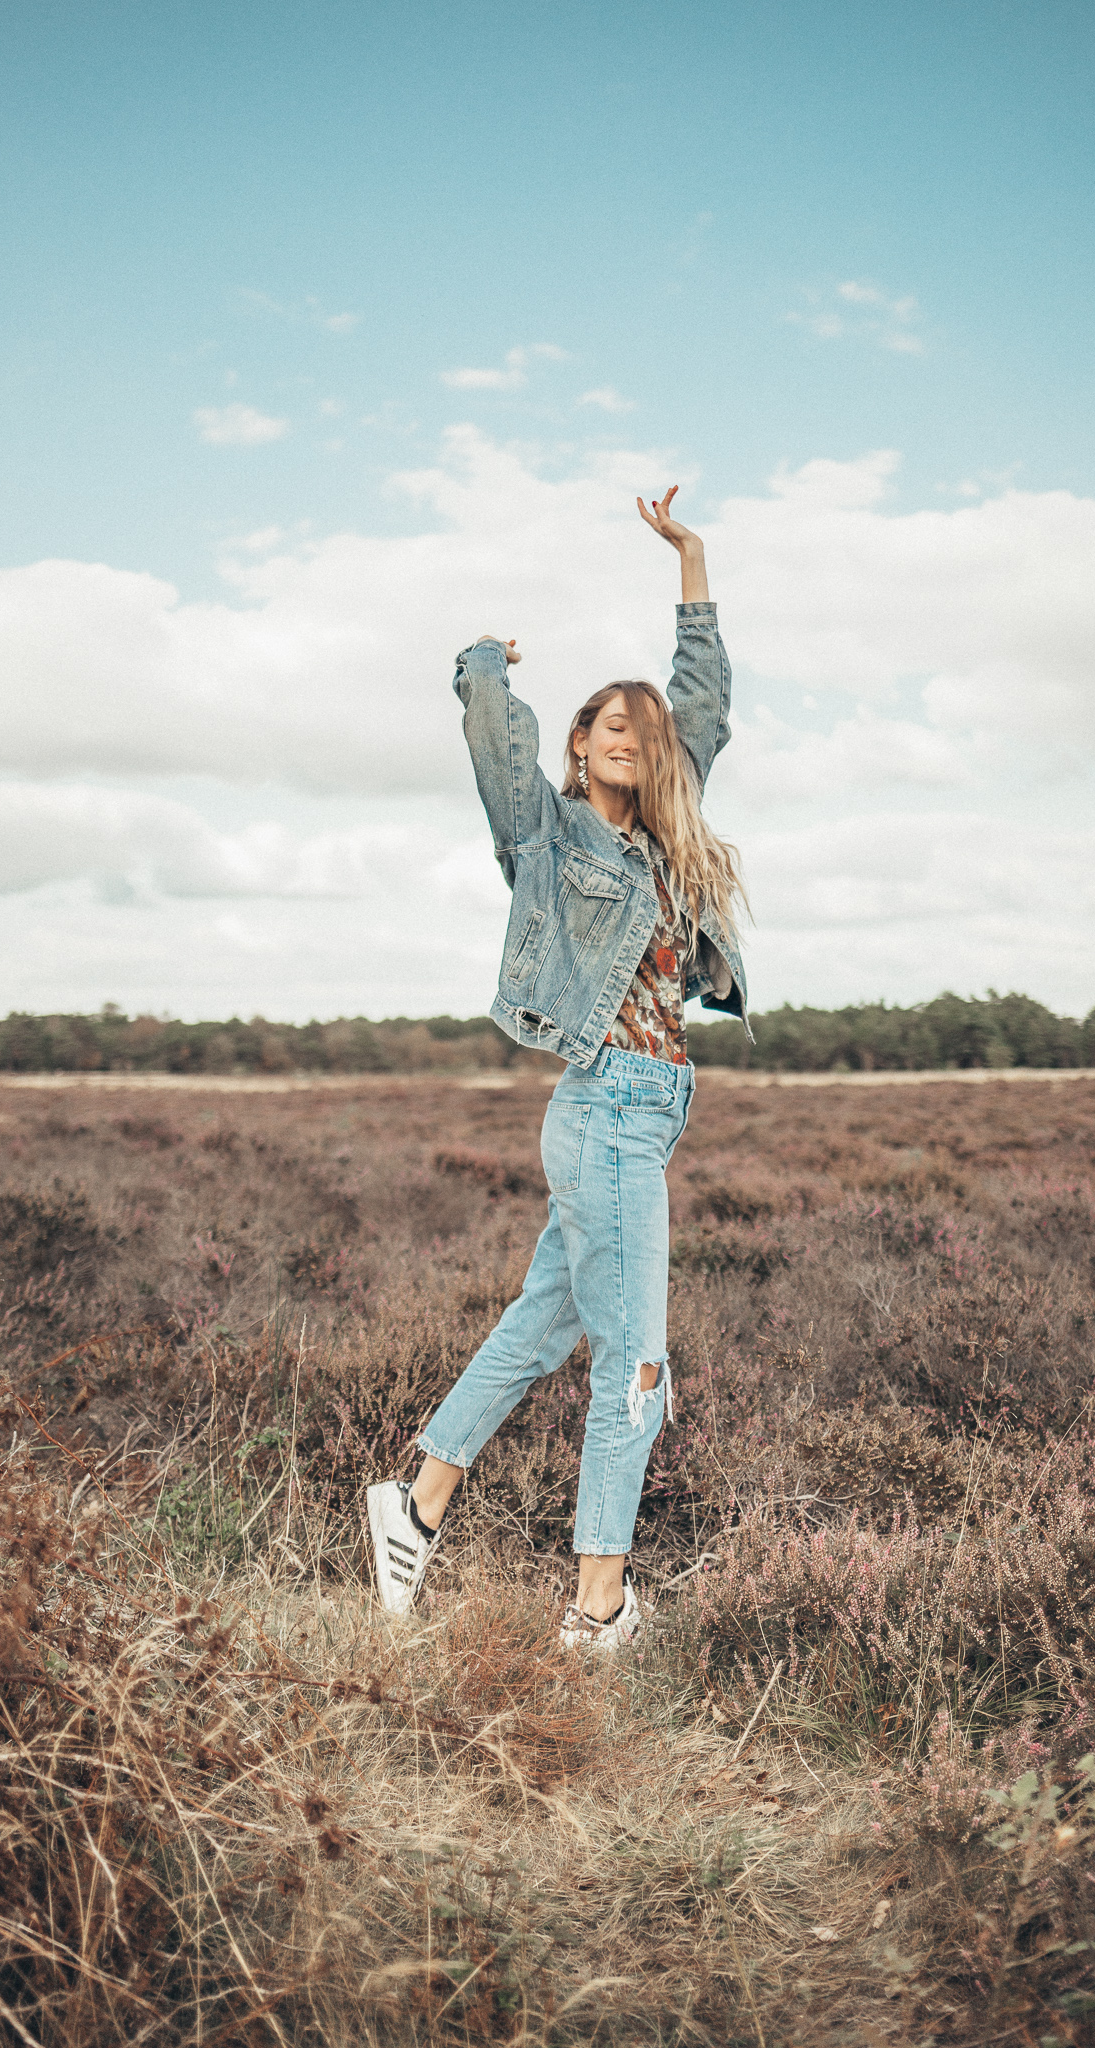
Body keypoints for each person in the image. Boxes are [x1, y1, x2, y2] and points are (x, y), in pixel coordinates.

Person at [366, 487, 751, 1651]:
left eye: (644, 727)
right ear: (579, 744)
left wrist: (692, 561)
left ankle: (417, 1503)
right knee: (633, 1363)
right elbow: (495, 739)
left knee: (544, 1329)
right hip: (605, 1109)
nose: (632, 737)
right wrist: (485, 663)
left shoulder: (666, 833)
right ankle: (597, 1608)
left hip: (648, 1111)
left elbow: (707, 703)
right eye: (609, 725)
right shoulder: (547, 833)